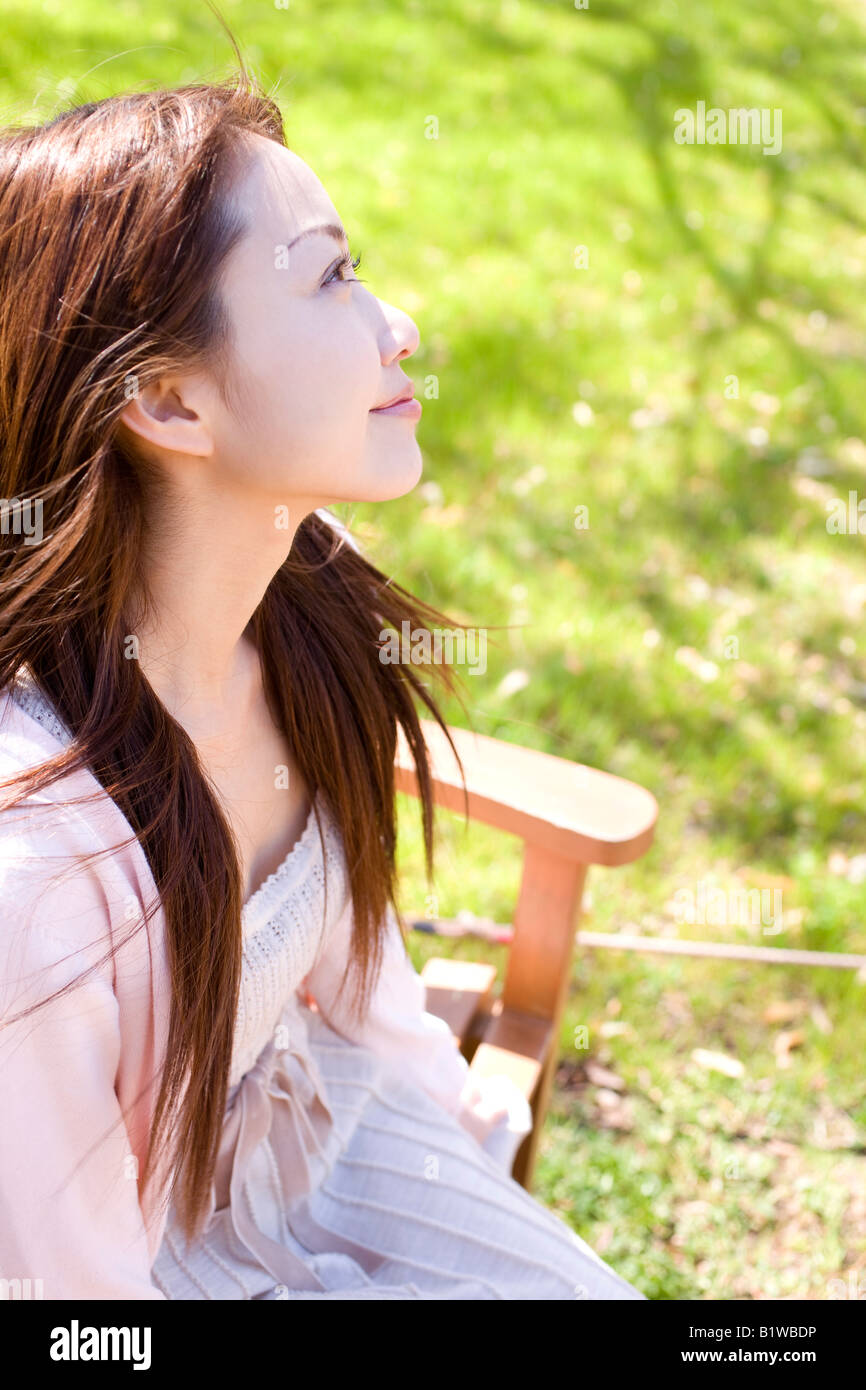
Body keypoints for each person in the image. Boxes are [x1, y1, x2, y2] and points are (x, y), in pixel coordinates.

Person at [0, 63, 645, 1301]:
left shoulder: (301, 601)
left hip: (314, 1122)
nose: (398, 323)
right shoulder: (40, 885)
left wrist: (468, 1169)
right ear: (167, 399)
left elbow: (360, 975)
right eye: (333, 275)